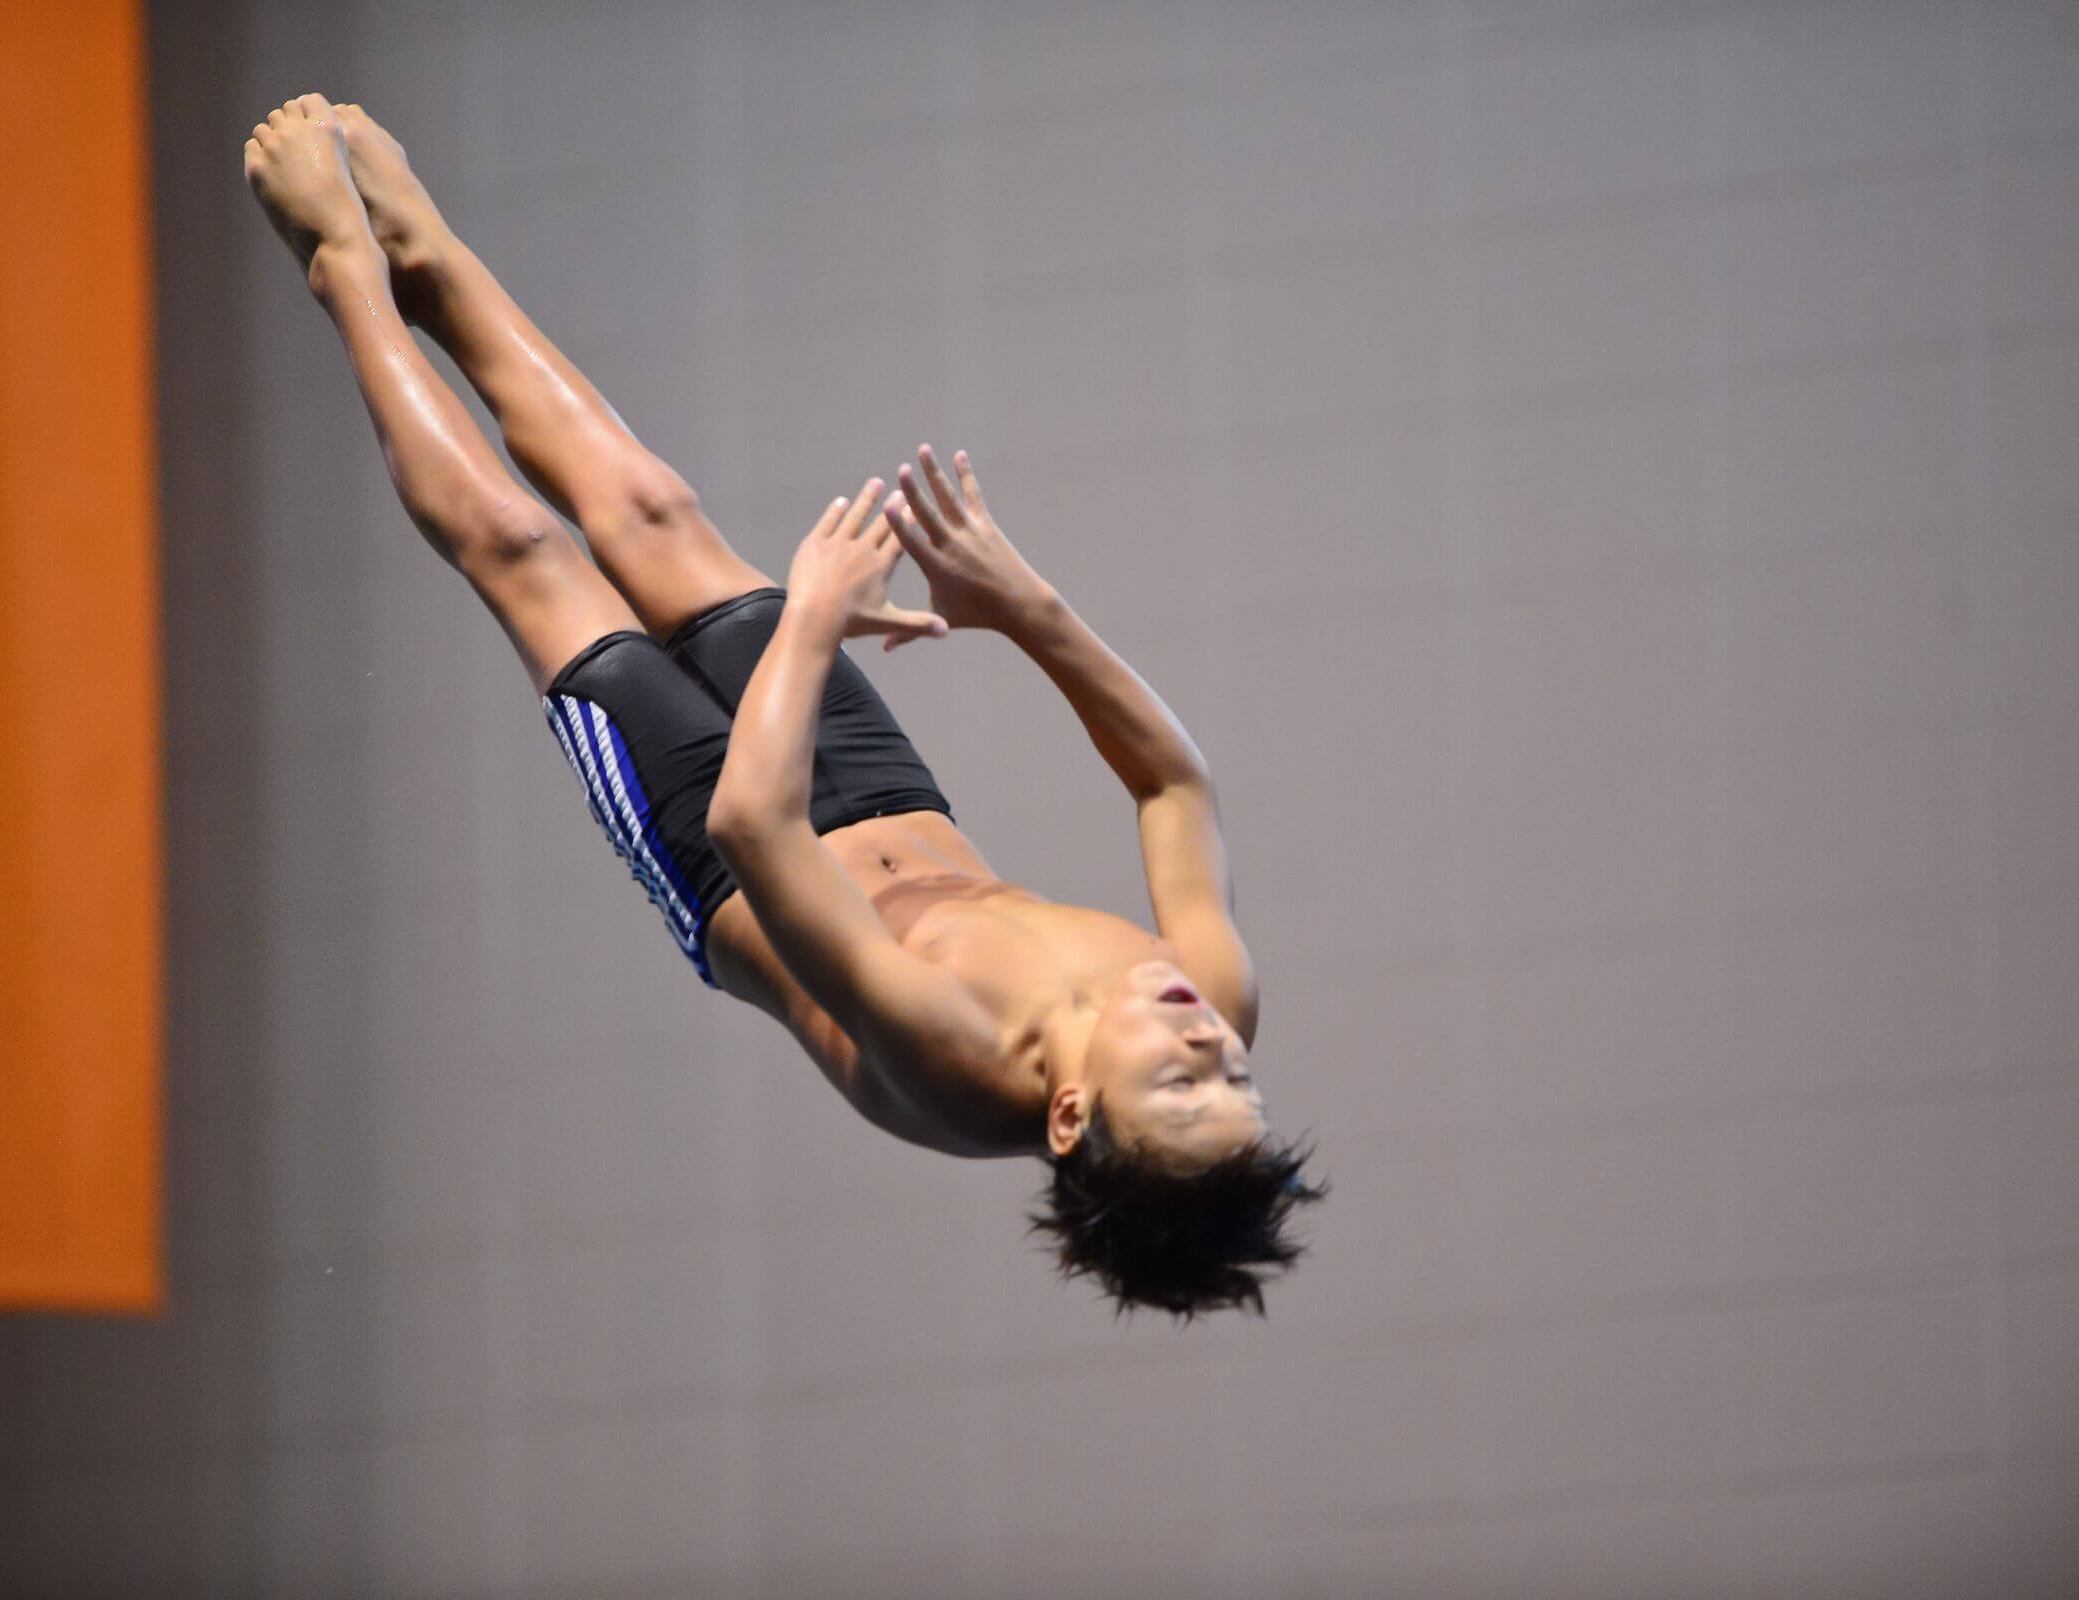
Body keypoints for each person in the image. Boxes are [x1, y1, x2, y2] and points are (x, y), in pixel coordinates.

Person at [243, 94, 1320, 1318]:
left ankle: (344, 265)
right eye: (1244, 1084)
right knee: (653, 509)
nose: (1215, 1054)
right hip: (883, 796)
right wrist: (1026, 606)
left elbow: (759, 829)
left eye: (1184, 1093)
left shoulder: (958, 1061)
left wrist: (813, 615)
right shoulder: (1209, 992)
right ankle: (428, 253)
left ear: (1069, 1115)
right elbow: (1175, 786)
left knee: (524, 548)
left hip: (723, 857)